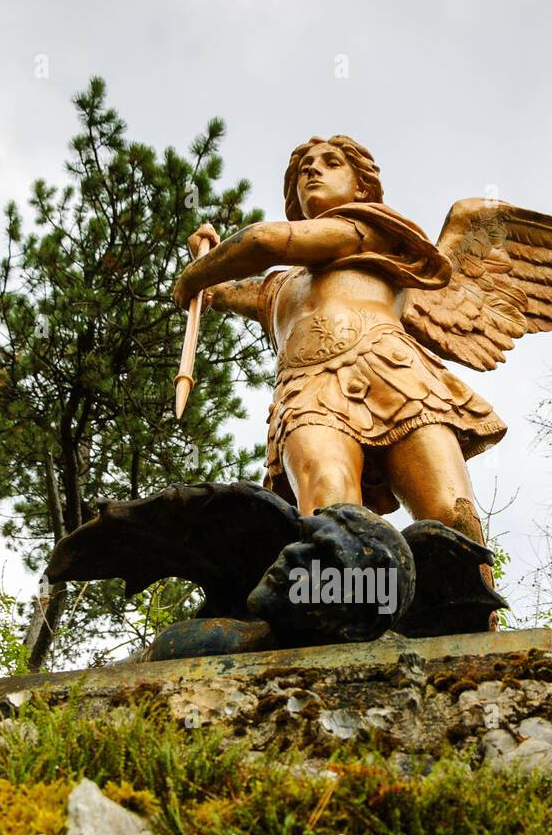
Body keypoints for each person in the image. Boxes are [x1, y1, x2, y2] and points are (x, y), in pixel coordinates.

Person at [172, 136, 504, 587]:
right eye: (304, 167)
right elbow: (225, 289)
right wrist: (207, 272)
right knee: (330, 516)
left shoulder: (374, 232)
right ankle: (341, 630)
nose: (313, 170)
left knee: (449, 513)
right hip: (307, 392)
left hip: (394, 374)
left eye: (330, 163)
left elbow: (265, 241)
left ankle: (473, 622)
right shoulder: (281, 286)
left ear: (361, 187)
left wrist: (196, 275)